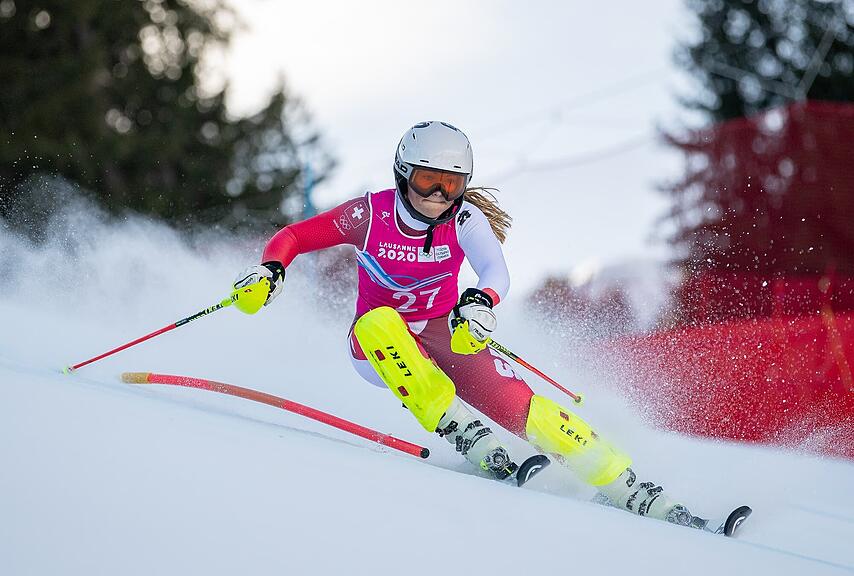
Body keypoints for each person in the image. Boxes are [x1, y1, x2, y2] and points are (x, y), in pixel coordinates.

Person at [235, 121, 717, 530]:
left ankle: (621, 482)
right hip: (378, 346)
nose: (439, 195)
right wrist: (270, 269)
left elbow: (495, 272)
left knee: (519, 405)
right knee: (381, 321)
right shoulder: (370, 213)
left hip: (447, 331)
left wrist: (480, 303)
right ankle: (457, 426)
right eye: (427, 180)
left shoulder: (464, 219)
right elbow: (296, 235)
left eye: (452, 183)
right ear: (403, 175)